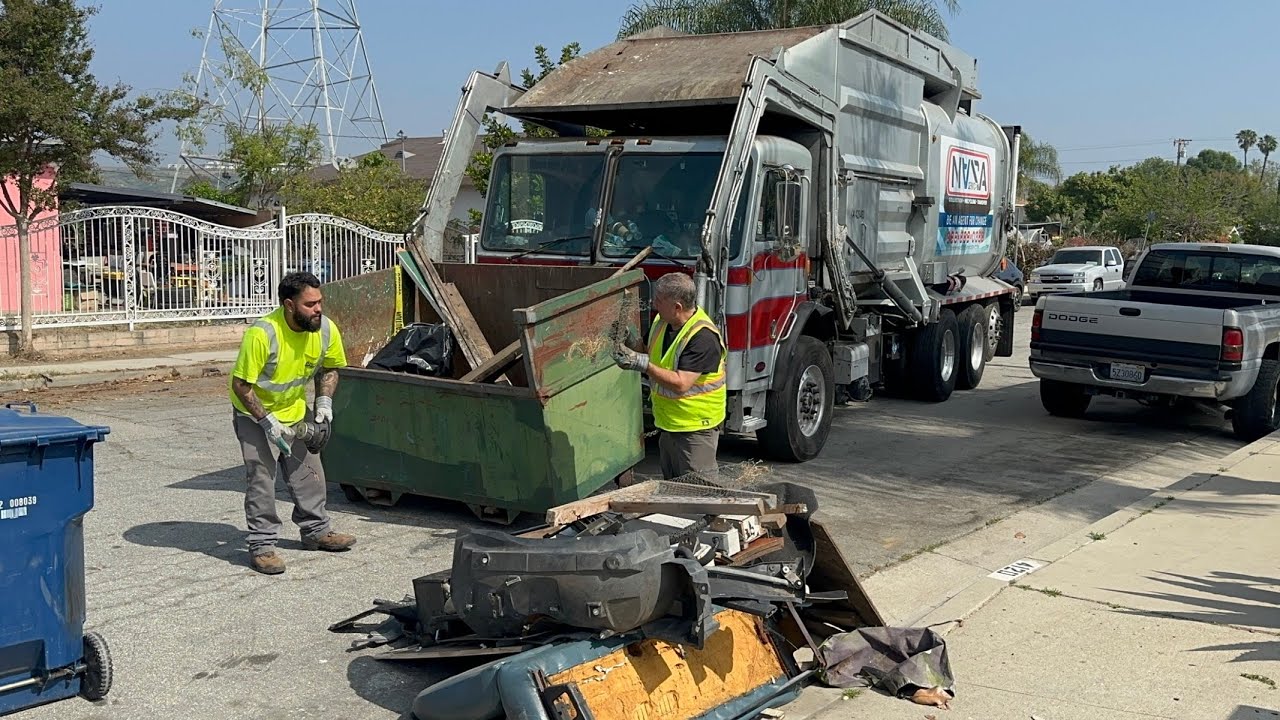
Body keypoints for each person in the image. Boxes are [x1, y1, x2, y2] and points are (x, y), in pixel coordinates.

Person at [229, 271, 355, 575]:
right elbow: (241, 385)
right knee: (261, 474)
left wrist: (323, 401)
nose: (318, 309)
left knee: (308, 471)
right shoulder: (263, 334)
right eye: (310, 304)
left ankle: (316, 532)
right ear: (289, 305)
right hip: (253, 413)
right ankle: (262, 546)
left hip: (294, 410)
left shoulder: (324, 329)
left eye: (320, 301)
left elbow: (330, 368)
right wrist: (267, 421)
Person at [613, 272, 726, 481]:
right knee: (673, 490)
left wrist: (641, 364)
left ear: (677, 307)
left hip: (695, 429)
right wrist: (629, 340)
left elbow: (682, 383)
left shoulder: (703, 337)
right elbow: (646, 349)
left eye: (658, 300)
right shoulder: (662, 321)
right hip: (669, 425)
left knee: (700, 493)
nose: (653, 303)